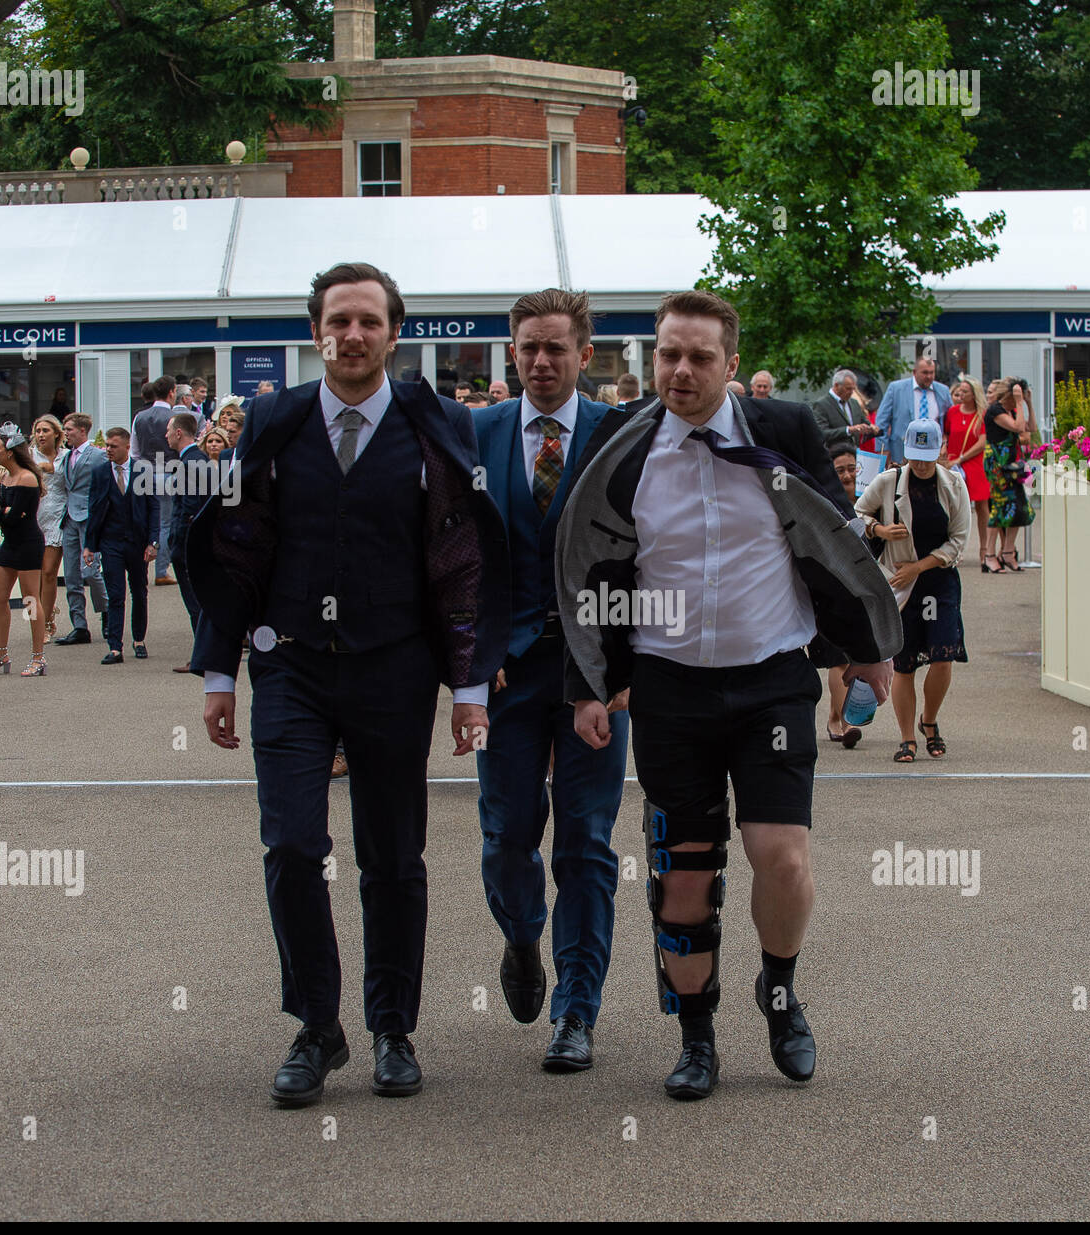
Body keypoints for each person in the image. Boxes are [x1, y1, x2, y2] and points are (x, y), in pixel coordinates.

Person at [556, 289, 900, 1100]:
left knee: (779, 858)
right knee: (684, 872)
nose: (680, 370)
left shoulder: (780, 431)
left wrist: (865, 650)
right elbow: (587, 563)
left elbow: (832, 537)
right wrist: (589, 685)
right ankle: (696, 1034)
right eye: (668, 354)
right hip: (669, 686)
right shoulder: (622, 444)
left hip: (771, 677)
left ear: (732, 365)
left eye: (699, 356)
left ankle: (779, 995)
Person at [188, 261, 510, 1107]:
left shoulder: (437, 422)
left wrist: (469, 684)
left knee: (393, 857)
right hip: (289, 661)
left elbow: (464, 554)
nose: (355, 335)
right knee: (292, 845)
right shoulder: (273, 418)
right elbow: (234, 551)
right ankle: (317, 1026)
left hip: (394, 667)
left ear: (394, 333)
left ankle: (392, 1026)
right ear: (316, 332)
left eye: (370, 321)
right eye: (340, 321)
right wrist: (220, 669)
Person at [471, 288, 628, 1074]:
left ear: (584, 355)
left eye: (556, 348)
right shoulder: (478, 431)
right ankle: (523, 933)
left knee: (587, 843)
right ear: (511, 351)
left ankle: (577, 1011)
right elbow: (454, 549)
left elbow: (645, 552)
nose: (540, 361)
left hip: (594, 673)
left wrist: (621, 665)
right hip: (504, 674)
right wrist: (470, 653)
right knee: (505, 836)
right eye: (528, 347)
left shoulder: (619, 434)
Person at [854, 419, 971, 763]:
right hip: (899, 585)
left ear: (939, 453)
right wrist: (880, 530)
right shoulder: (889, 481)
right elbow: (857, 513)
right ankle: (907, 737)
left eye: (928, 457)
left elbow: (959, 541)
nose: (920, 464)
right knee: (904, 664)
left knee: (943, 656)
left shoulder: (953, 484)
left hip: (937, 579)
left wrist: (918, 568)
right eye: (915, 457)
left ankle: (929, 721)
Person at [84, 426, 159, 665]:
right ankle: (115, 647)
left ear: (127, 447)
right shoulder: (100, 473)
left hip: (137, 542)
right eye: (107, 445)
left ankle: (139, 639)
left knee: (139, 591)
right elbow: (94, 509)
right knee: (115, 594)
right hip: (111, 542)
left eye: (113, 446)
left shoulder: (142, 471)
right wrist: (89, 545)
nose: (108, 450)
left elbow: (154, 507)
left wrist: (153, 542)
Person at [0, 423, 48, 676]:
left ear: (10, 451)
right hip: (9, 544)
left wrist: (2, 512)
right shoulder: (3, 478)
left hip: (29, 544)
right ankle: (1, 652)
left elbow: (14, 517)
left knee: (31, 600)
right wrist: (2, 512)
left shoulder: (27, 478)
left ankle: (38, 657)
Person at [52, 412, 109, 646]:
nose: (66, 433)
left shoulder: (98, 456)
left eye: (69, 429)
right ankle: (79, 626)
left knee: (90, 571)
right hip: (69, 519)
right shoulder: (66, 457)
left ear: (83, 431)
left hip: (89, 518)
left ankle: (106, 612)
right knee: (71, 576)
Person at [823, 440, 864, 749]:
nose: (848, 476)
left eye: (852, 468)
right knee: (839, 659)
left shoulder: (870, 500)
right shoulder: (821, 500)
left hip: (862, 590)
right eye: (840, 470)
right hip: (828, 587)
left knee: (854, 657)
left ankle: (837, 717)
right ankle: (845, 721)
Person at [164, 410, 207, 671]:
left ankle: (202, 656)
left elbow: (189, 509)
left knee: (195, 602)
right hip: (192, 541)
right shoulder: (194, 459)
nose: (166, 435)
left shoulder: (190, 462)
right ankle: (202, 654)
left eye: (169, 430)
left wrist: (177, 542)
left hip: (188, 544)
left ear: (179, 433)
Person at [984, 379, 1037, 571]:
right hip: (998, 463)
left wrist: (1029, 403)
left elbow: (1031, 428)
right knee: (999, 507)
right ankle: (989, 555)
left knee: (1019, 506)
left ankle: (1007, 551)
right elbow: (1018, 428)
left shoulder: (1014, 410)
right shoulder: (995, 410)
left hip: (1014, 464)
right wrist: (1020, 403)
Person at [943, 378, 995, 571]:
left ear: (974, 394)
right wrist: (946, 449)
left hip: (974, 464)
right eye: (960, 391)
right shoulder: (952, 412)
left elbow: (982, 441)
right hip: (954, 463)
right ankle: (953, 550)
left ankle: (985, 549)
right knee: (953, 507)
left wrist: (962, 457)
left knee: (982, 506)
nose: (961, 394)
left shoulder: (982, 414)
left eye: (965, 391)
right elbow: (946, 433)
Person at [130, 374, 177, 585]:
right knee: (165, 523)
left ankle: (141, 567)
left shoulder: (139, 417)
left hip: (145, 472)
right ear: (171, 392)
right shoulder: (174, 418)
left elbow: (135, 451)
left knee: (146, 520)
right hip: (168, 471)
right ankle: (161, 571)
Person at [874, 355, 952, 467]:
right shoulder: (896, 389)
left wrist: (946, 444)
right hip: (901, 452)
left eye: (932, 373)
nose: (929, 376)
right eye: (925, 373)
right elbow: (882, 421)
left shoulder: (943, 391)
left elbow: (951, 421)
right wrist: (883, 450)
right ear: (915, 372)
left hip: (933, 453)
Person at [31, 414, 67, 641]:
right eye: (38, 431)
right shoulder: (28, 455)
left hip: (58, 516)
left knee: (48, 572)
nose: (41, 435)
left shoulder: (67, 456)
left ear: (56, 434)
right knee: (32, 576)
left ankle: (46, 623)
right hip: (33, 516)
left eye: (45, 430)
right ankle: (34, 619)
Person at [811, 368, 881, 447]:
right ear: (836, 386)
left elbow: (863, 420)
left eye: (853, 389)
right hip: (834, 454)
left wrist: (871, 427)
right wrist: (848, 430)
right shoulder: (821, 404)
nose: (851, 392)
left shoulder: (854, 403)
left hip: (854, 453)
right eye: (848, 389)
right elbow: (821, 433)